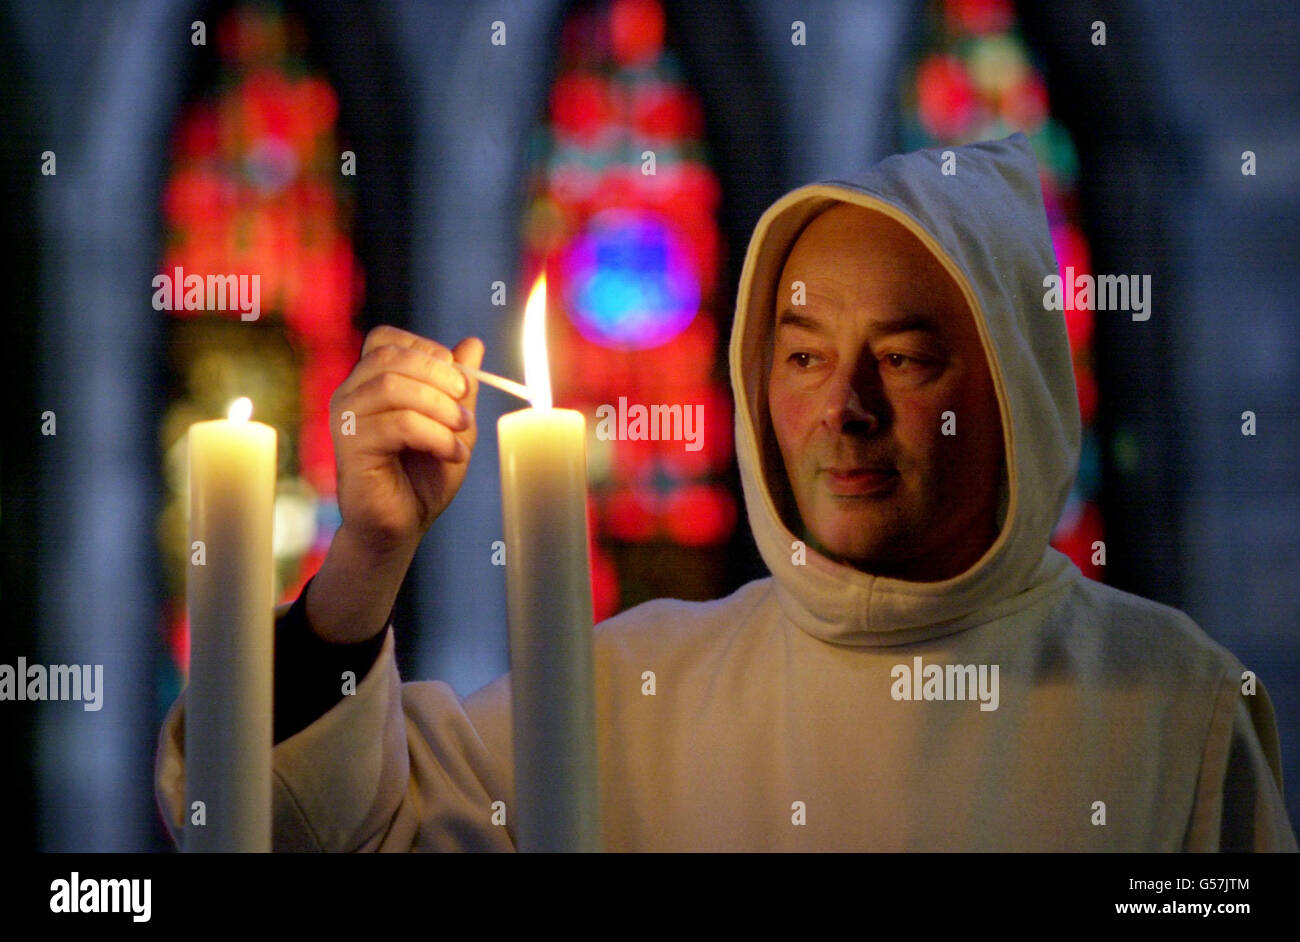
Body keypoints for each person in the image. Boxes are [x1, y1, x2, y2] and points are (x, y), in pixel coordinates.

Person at [155, 134, 1297, 851]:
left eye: (901, 358)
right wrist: (367, 561)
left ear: (1017, 390)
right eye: (801, 356)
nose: (842, 408)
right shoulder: (621, 691)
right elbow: (288, 825)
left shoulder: (1172, 708)